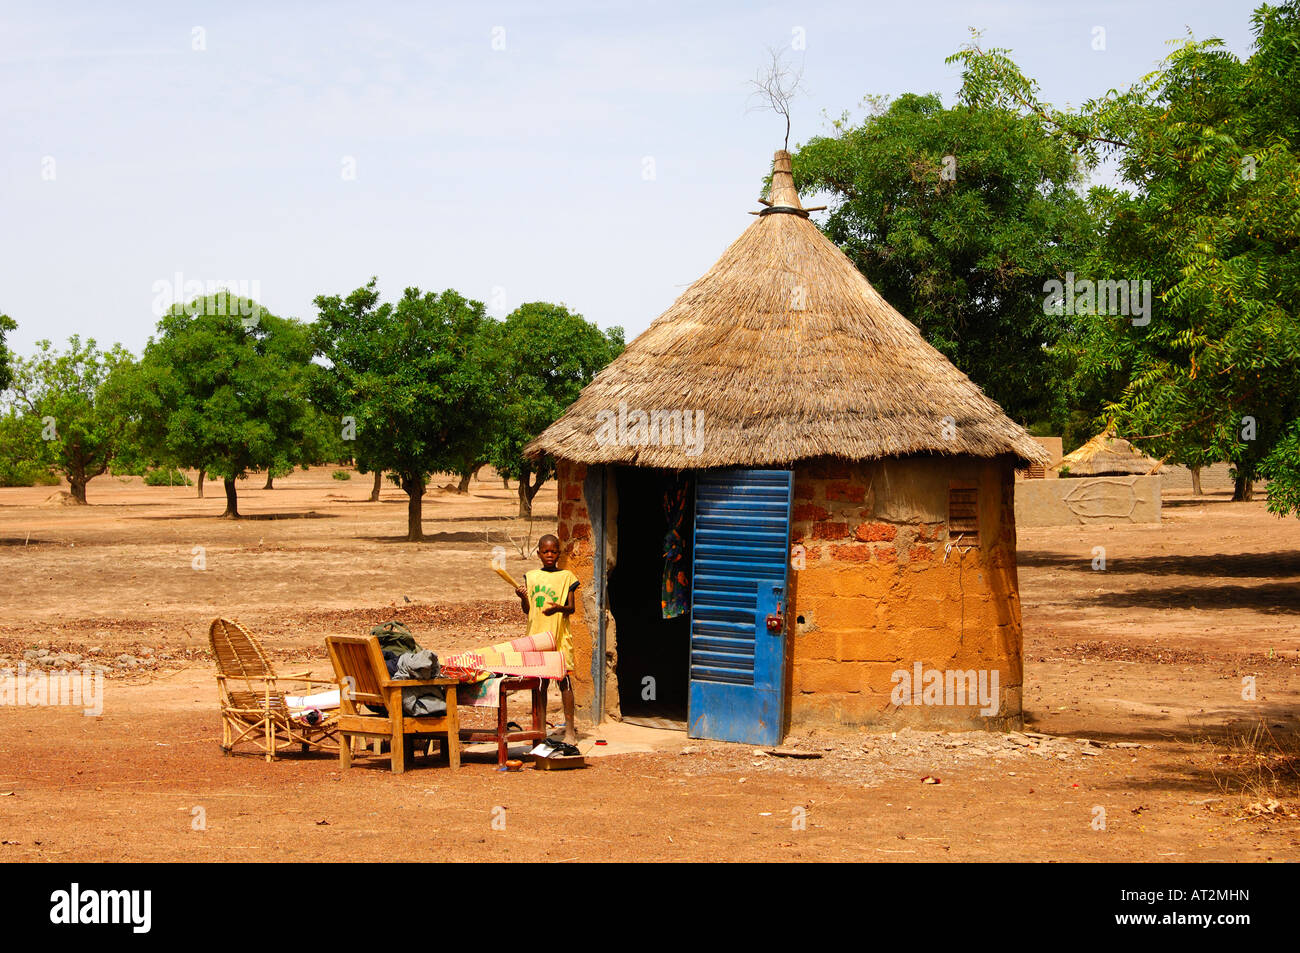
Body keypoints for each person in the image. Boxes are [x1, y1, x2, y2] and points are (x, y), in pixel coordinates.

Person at [515, 534, 580, 746]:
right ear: (539, 554)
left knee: (565, 683)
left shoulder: (567, 577)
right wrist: (523, 597)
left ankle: (569, 731)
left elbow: (571, 608)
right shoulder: (531, 576)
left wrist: (558, 609)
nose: (550, 555)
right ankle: (540, 729)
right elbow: (528, 610)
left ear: (559, 553)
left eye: (553, 551)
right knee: (540, 685)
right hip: (537, 638)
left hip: (560, 638)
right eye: (546, 552)